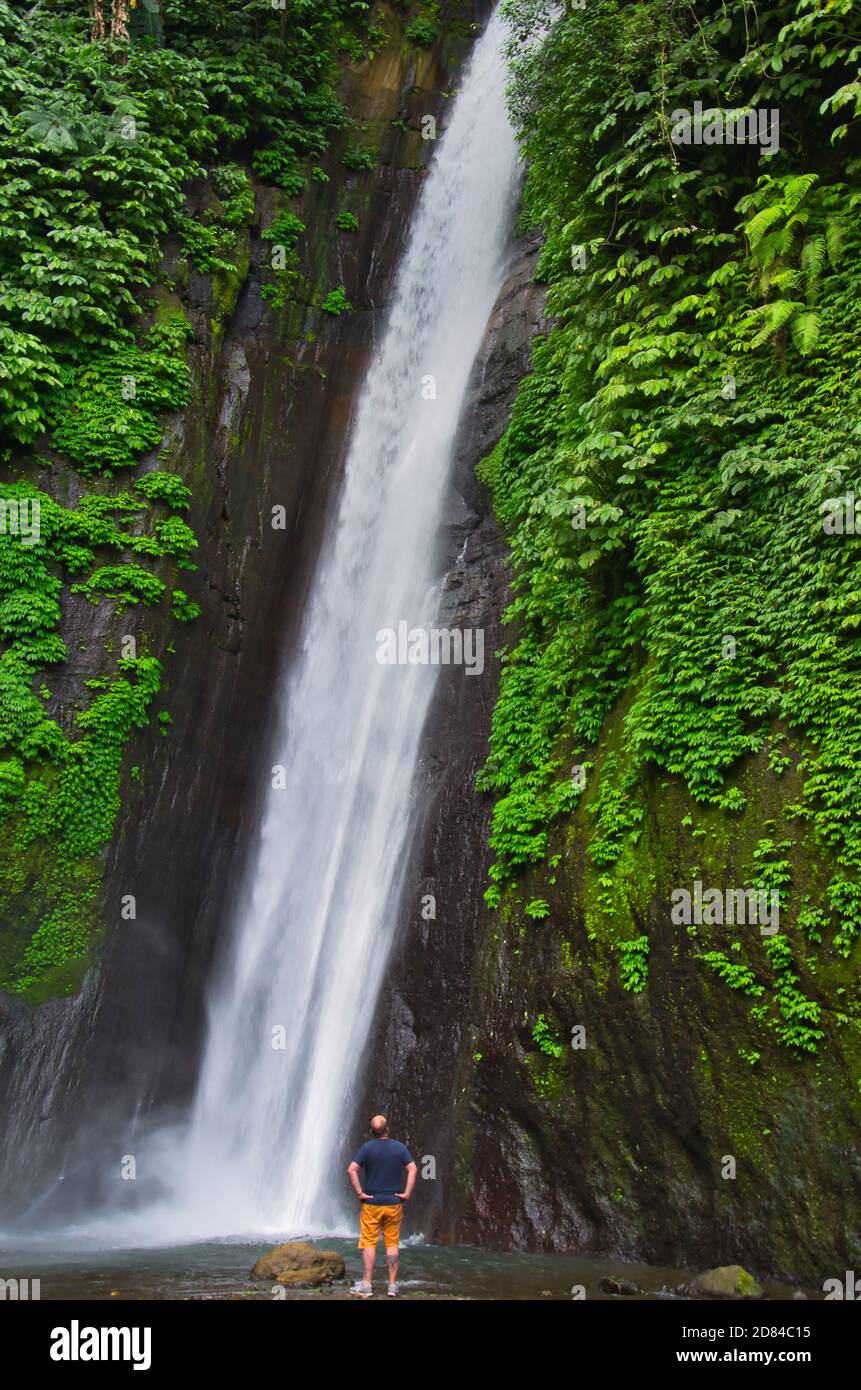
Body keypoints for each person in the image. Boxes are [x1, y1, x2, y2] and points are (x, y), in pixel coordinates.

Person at [347, 1114, 417, 1298]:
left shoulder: (367, 1148)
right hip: (393, 1203)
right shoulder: (399, 1148)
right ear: (388, 1129)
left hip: (371, 1203)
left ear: (372, 1132)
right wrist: (406, 1193)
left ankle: (367, 1285)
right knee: (392, 1243)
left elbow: (351, 1169)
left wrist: (360, 1193)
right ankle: (392, 1286)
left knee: (369, 1242)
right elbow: (413, 1168)